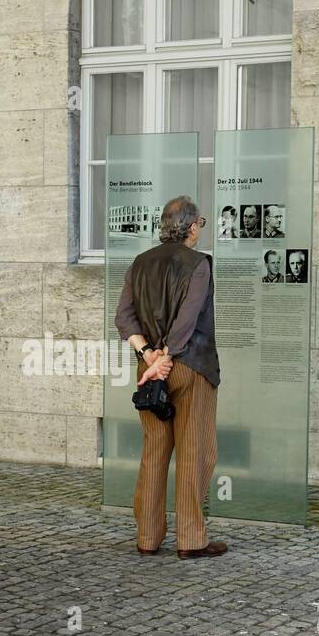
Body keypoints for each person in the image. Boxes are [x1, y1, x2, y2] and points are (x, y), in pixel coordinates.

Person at [114, 196, 226, 560]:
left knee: (154, 451)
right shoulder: (198, 264)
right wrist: (166, 357)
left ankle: (147, 537)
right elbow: (187, 319)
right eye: (200, 225)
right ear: (191, 227)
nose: (200, 231)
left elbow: (124, 317)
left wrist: (148, 355)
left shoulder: (140, 262)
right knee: (196, 452)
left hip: (148, 373)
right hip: (189, 367)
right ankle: (191, 540)